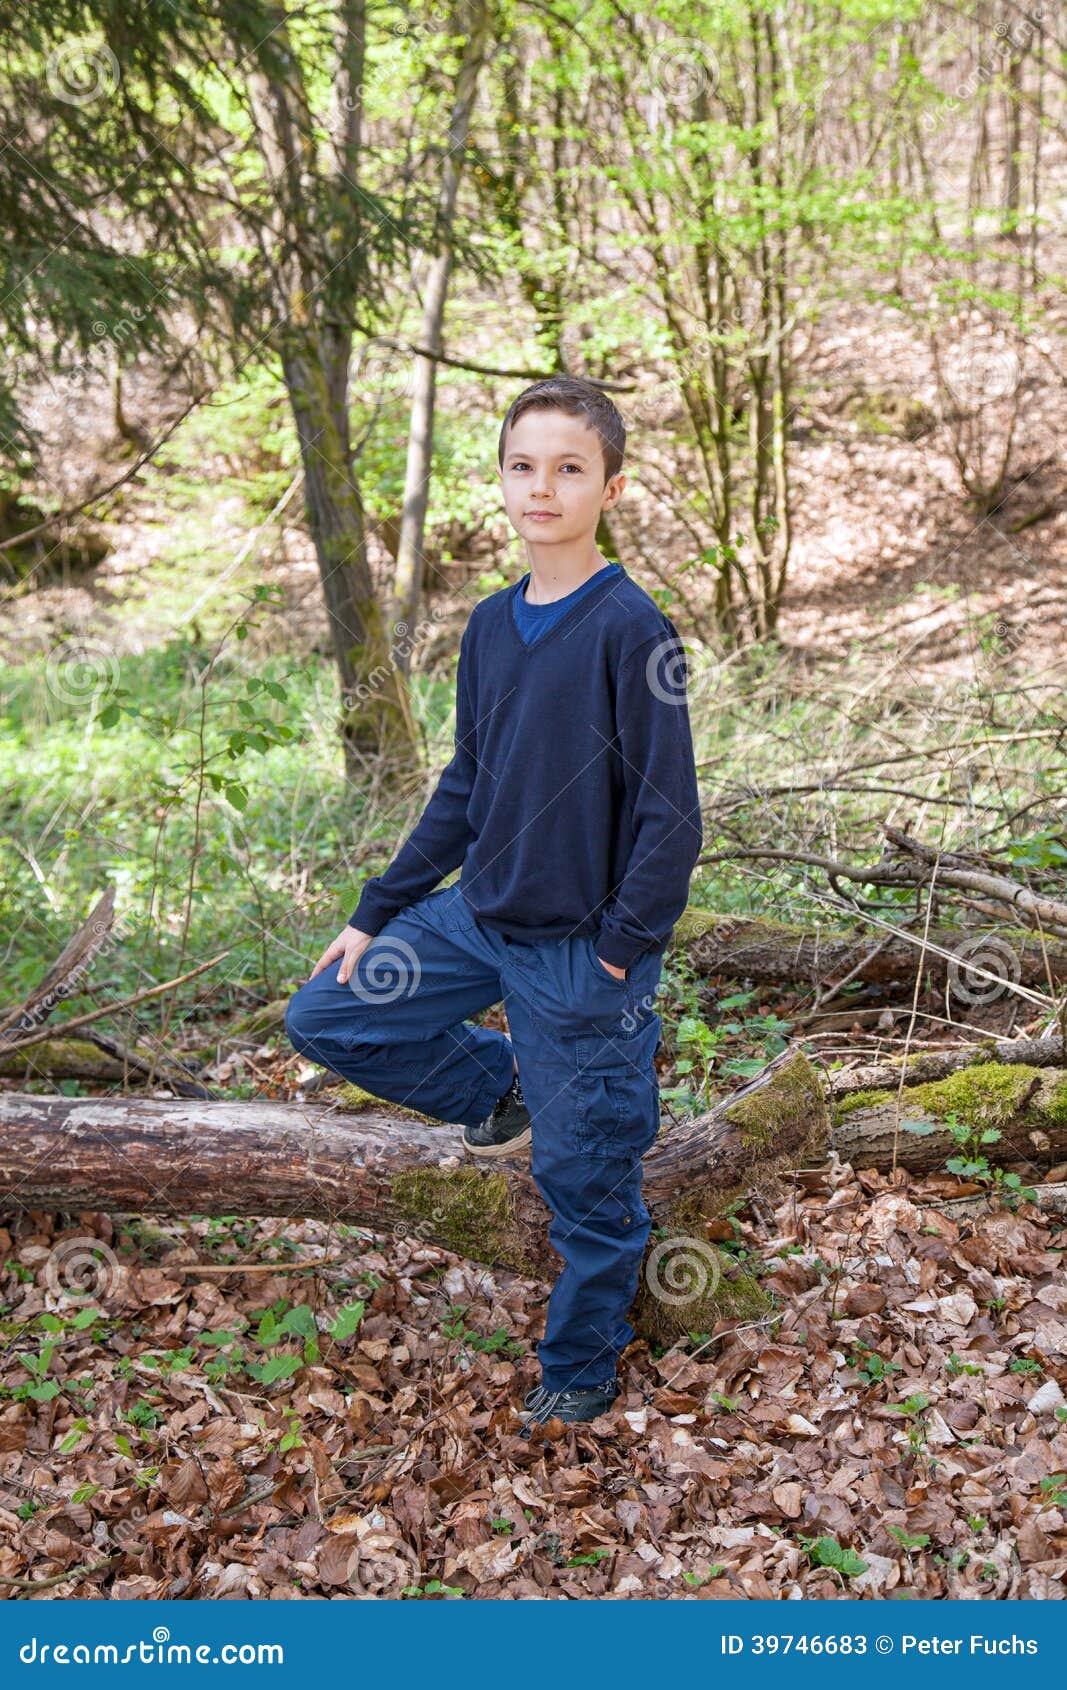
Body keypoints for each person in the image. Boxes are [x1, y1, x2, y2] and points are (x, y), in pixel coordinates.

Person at [285, 374, 703, 1437]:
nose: (542, 487)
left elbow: (671, 820)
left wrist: (618, 952)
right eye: (523, 466)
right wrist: (379, 911)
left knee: (585, 1183)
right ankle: (506, 1085)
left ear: (609, 483)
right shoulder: (487, 625)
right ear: (502, 482)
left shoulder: (631, 629)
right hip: (482, 915)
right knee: (327, 1015)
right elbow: (467, 783)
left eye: (569, 467)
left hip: (579, 955)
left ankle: (578, 1369)